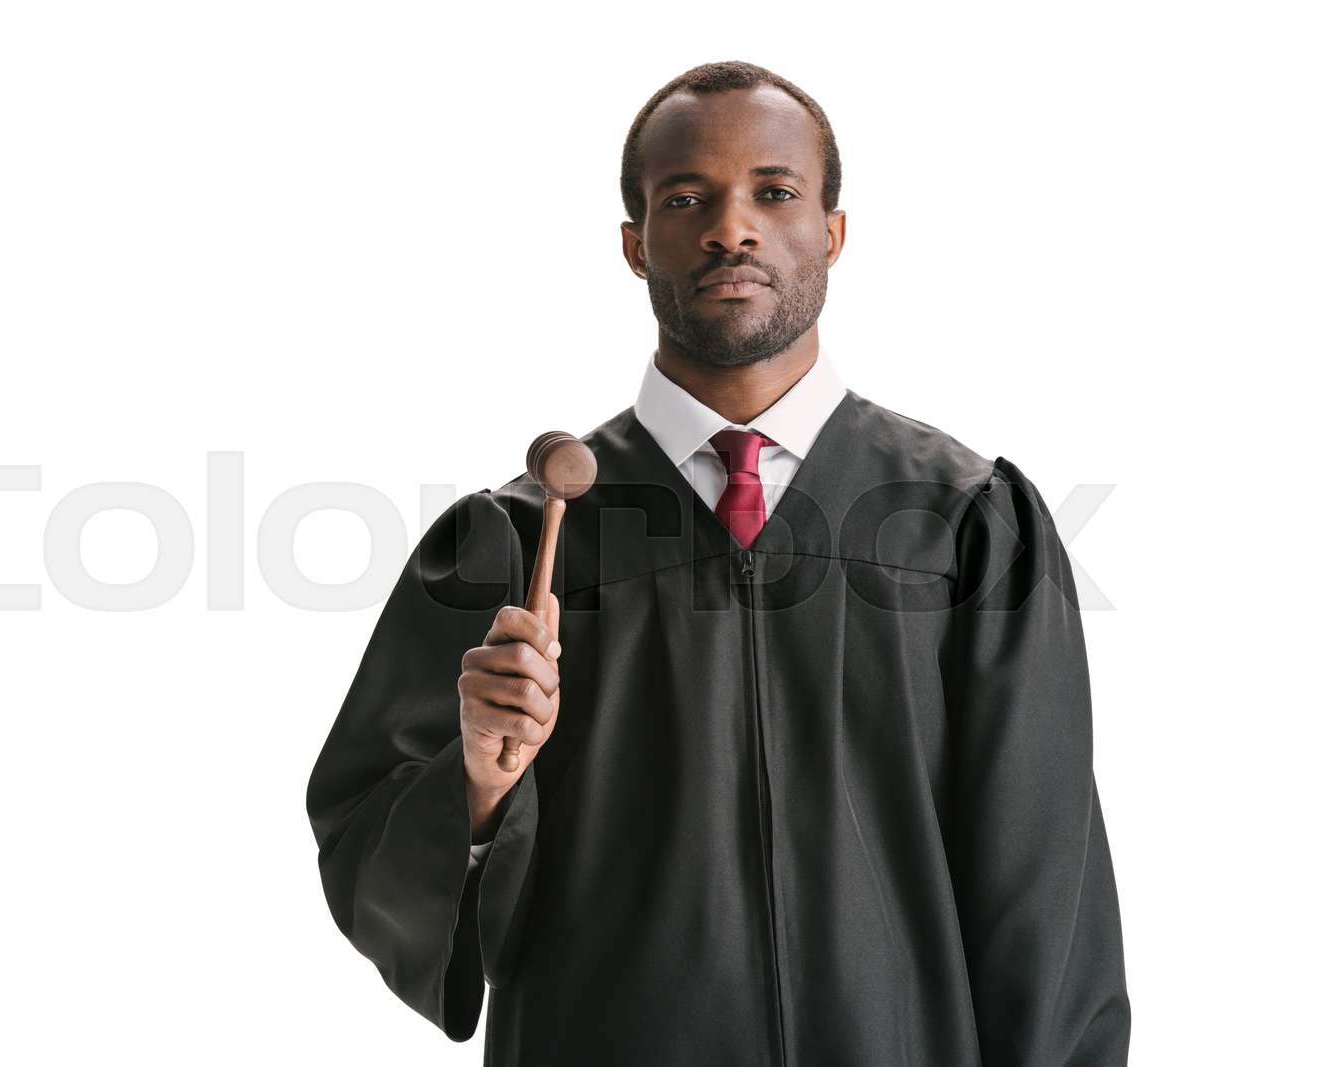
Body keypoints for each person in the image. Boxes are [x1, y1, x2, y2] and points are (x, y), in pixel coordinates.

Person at [305, 59, 1131, 1065]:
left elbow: (1044, 885)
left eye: (773, 193)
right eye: (684, 197)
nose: (730, 228)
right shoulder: (518, 542)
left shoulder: (960, 519)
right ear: (633, 243)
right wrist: (476, 785)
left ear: (832, 232)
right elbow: (367, 841)